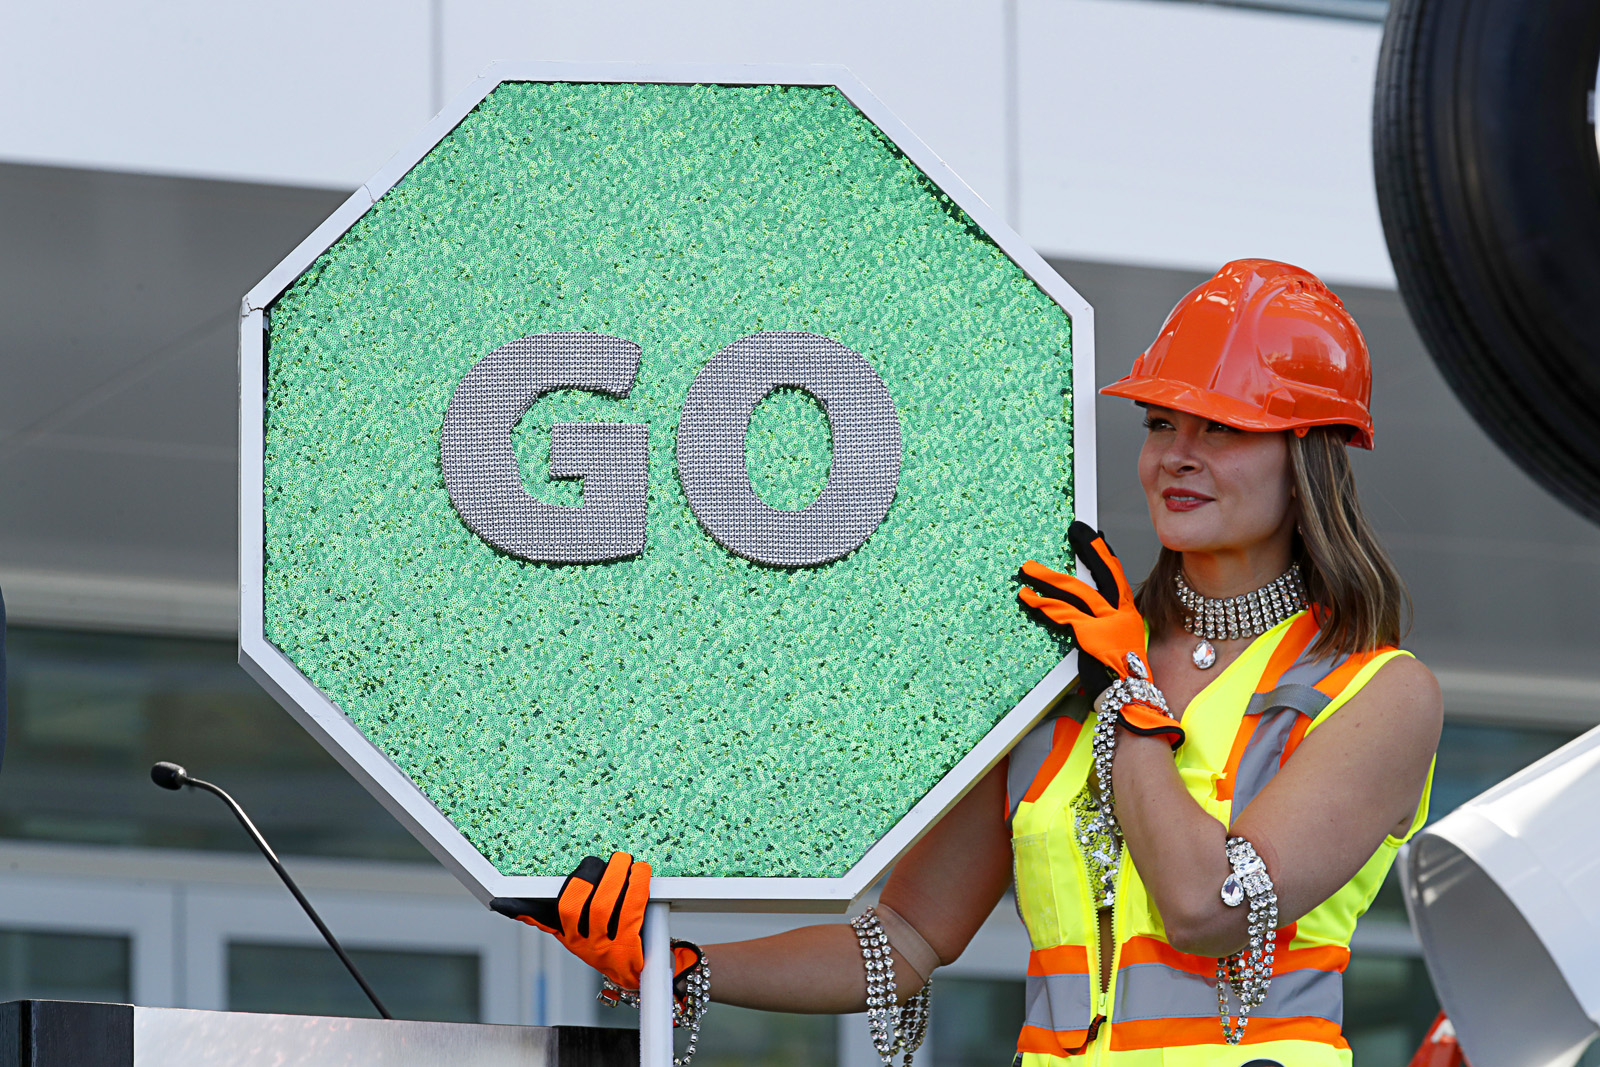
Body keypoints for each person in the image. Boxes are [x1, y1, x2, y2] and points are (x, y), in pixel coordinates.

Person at [493, 259, 1443, 1066]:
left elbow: (1206, 905)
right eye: (1161, 423)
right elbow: (901, 940)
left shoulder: (1379, 693)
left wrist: (1127, 691)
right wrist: (682, 968)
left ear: (1308, 458)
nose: (1176, 456)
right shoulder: (1067, 671)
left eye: (1220, 427)